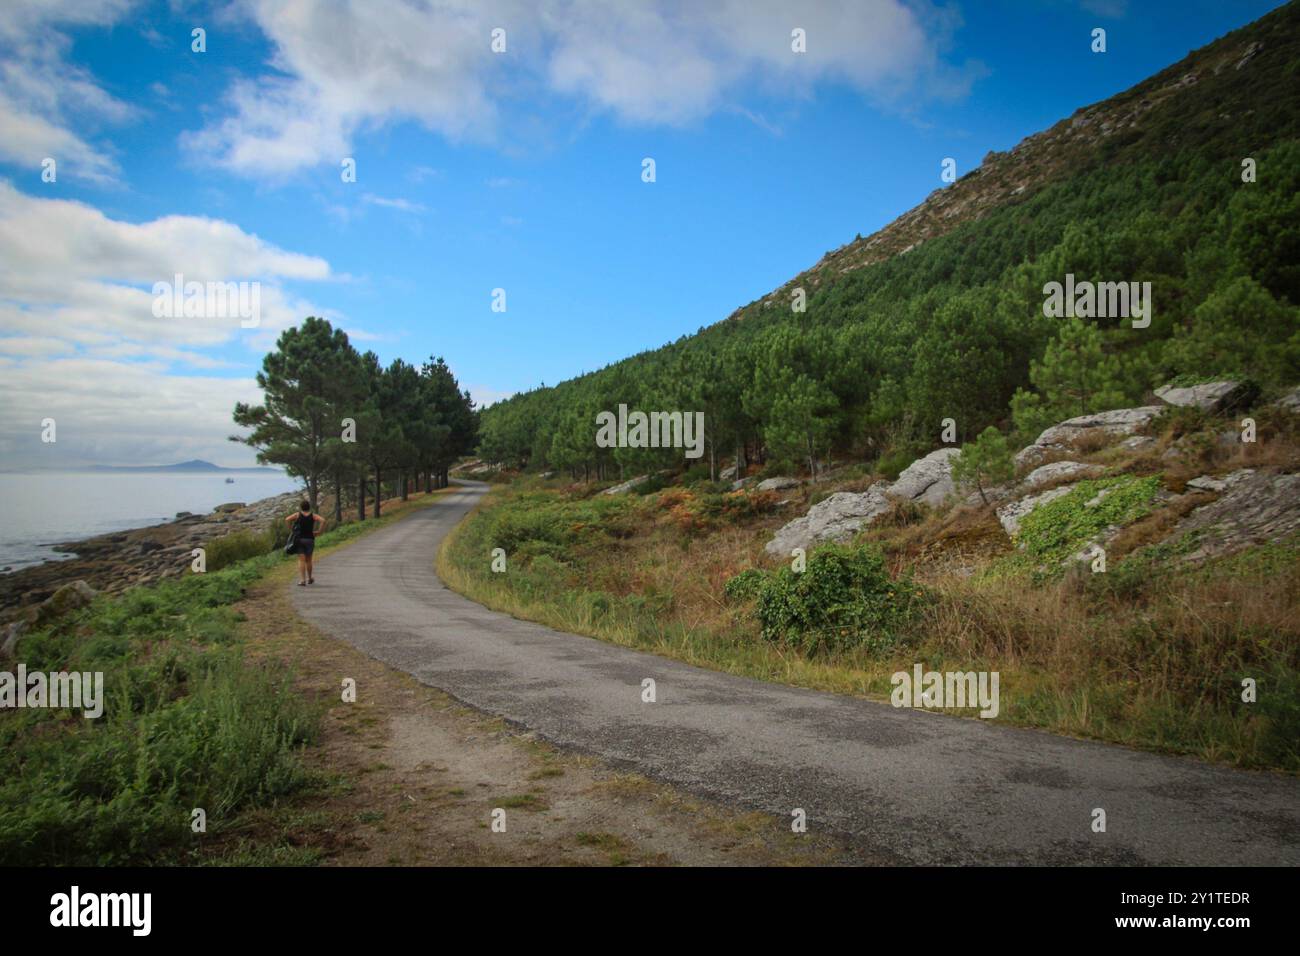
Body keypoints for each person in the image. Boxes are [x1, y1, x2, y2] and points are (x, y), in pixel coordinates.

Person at [285, 500, 325, 585]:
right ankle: (310, 578)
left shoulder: (297, 515)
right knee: (309, 560)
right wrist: (319, 531)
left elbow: (287, 519)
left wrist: (291, 530)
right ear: (309, 507)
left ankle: (303, 580)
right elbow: (323, 520)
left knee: (301, 560)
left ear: (301, 507)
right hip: (310, 539)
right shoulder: (313, 516)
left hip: (299, 539)